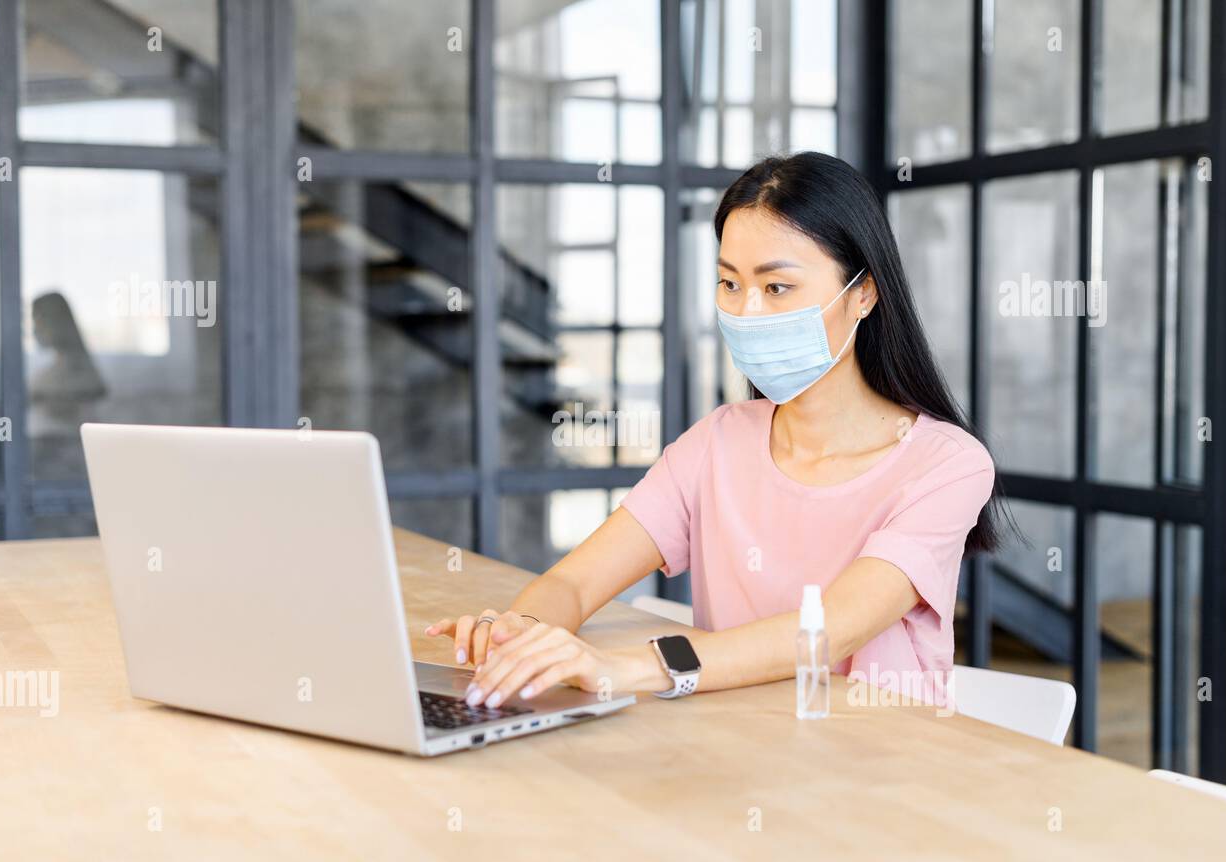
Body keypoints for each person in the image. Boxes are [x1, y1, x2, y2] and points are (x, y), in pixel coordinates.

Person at [430, 151, 1004, 711]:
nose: (747, 311)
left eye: (777, 287)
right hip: (737, 755)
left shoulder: (947, 465)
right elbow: (574, 585)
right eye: (730, 284)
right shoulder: (717, 443)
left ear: (863, 293)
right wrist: (521, 635)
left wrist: (626, 668)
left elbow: (832, 630)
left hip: (886, 776)